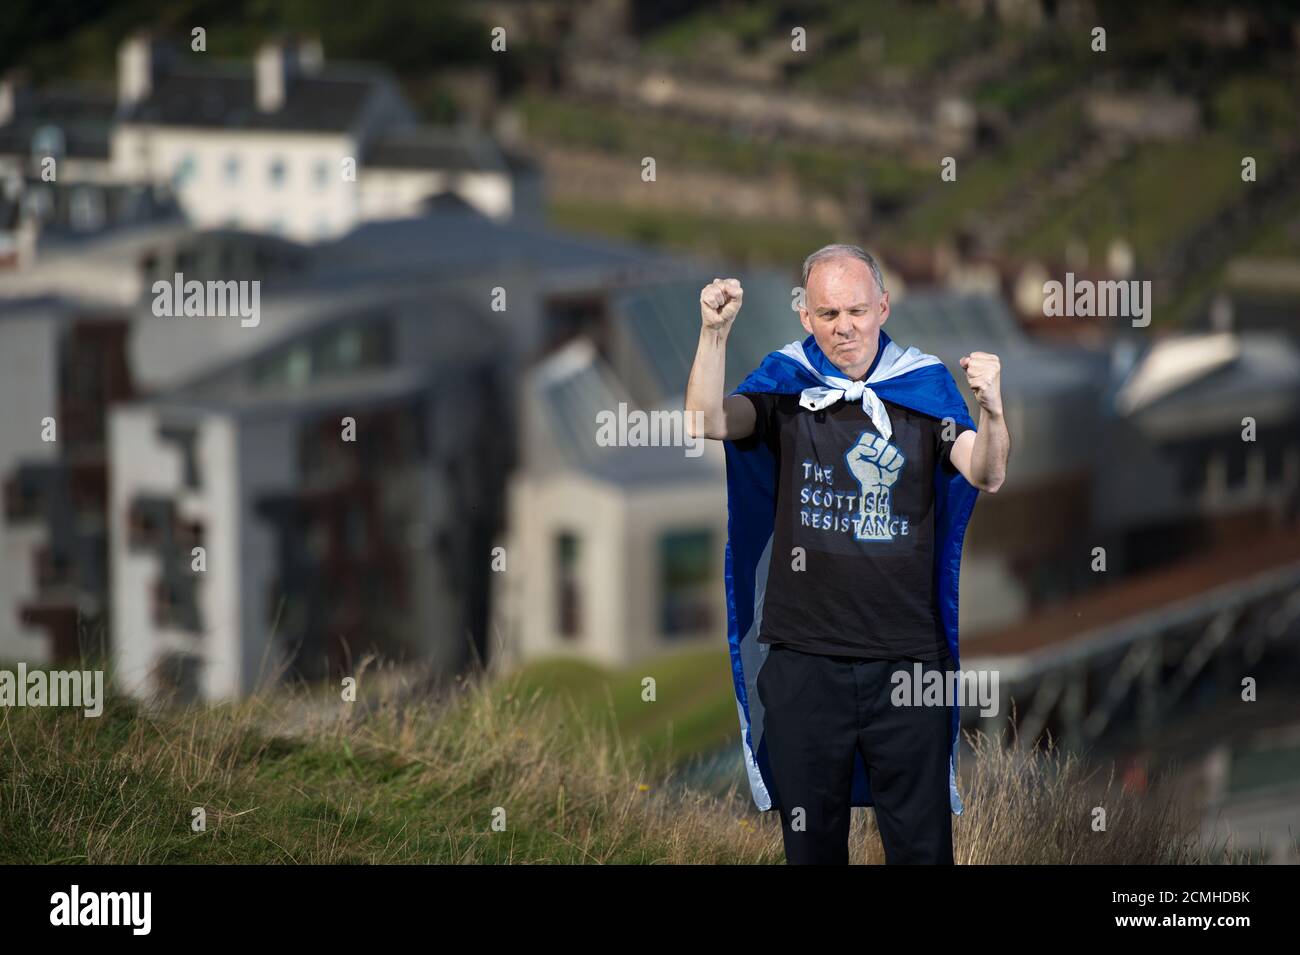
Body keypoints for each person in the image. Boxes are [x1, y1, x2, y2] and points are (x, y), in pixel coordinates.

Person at [685, 244, 1011, 864]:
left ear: (883, 306)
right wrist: (713, 333)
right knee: (812, 851)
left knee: (922, 851)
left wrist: (992, 410)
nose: (845, 328)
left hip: (909, 666)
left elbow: (987, 472)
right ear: (806, 316)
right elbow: (706, 419)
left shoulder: (923, 386)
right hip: (804, 663)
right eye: (828, 313)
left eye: (857, 311)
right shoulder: (785, 384)